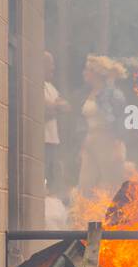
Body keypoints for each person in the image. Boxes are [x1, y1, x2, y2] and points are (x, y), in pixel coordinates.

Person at [76, 54, 130, 200]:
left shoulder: (113, 94)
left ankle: (114, 217)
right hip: (90, 141)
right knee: (85, 185)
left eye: (87, 70)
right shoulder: (87, 94)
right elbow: (85, 123)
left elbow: (122, 119)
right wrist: (83, 145)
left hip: (107, 140)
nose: (84, 73)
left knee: (111, 183)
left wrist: (118, 143)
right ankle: (84, 219)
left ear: (96, 73)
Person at [43, 50, 70, 195]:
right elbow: (44, 108)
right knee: (43, 174)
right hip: (43, 140)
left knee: (52, 174)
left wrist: (53, 107)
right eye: (50, 64)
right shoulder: (36, 84)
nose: (53, 67)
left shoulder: (50, 87)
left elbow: (66, 106)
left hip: (53, 140)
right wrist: (54, 107)